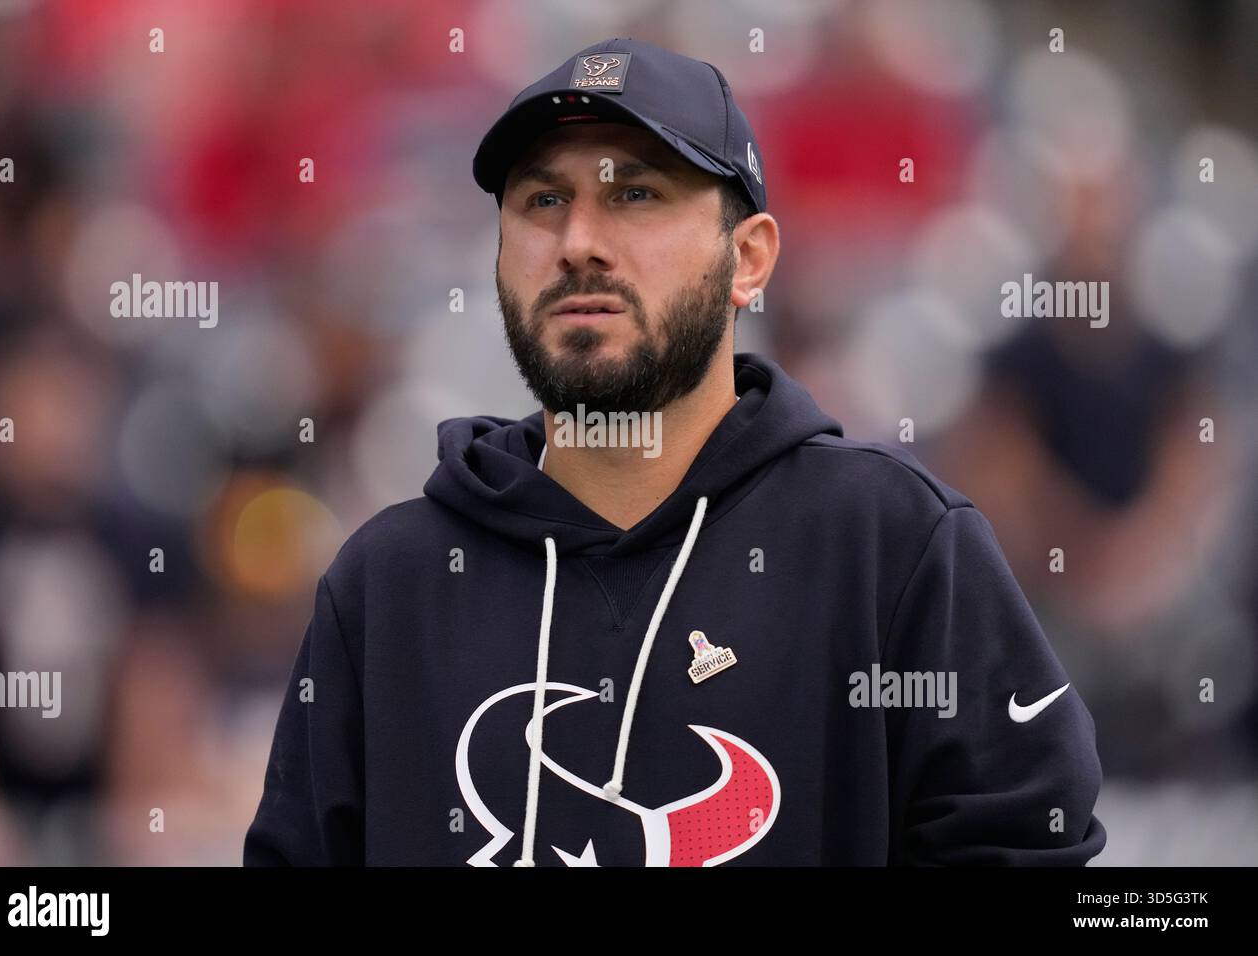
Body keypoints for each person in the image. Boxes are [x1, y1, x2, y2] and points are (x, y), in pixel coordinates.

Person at [243, 37, 1106, 867]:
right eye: (542, 201)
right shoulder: (388, 587)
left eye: (635, 195)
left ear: (749, 258)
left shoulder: (895, 548)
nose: (578, 240)